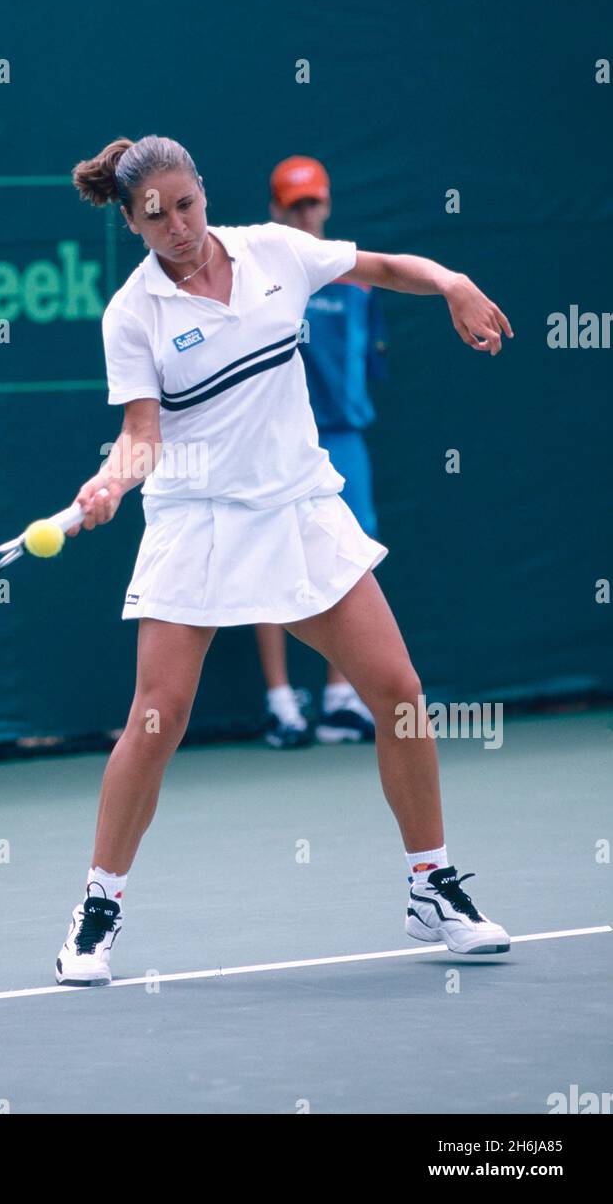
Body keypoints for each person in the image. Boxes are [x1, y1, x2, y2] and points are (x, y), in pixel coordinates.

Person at [56, 135, 512, 987]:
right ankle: (98, 906)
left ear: (202, 191)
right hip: (196, 521)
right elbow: (141, 436)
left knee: (400, 694)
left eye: (186, 205)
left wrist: (450, 281)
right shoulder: (133, 312)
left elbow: (379, 267)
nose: (178, 228)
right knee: (156, 719)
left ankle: (432, 886)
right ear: (131, 222)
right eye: (155, 218)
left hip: (298, 507)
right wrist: (109, 486)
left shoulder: (276, 251)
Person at [254, 155, 386, 746]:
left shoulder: (356, 278)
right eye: (296, 204)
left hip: (343, 440)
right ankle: (282, 703)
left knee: (349, 562)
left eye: (315, 202)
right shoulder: (263, 277)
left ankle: (340, 698)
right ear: (278, 209)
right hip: (276, 444)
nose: (308, 213)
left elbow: (370, 360)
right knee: (266, 562)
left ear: (327, 204)